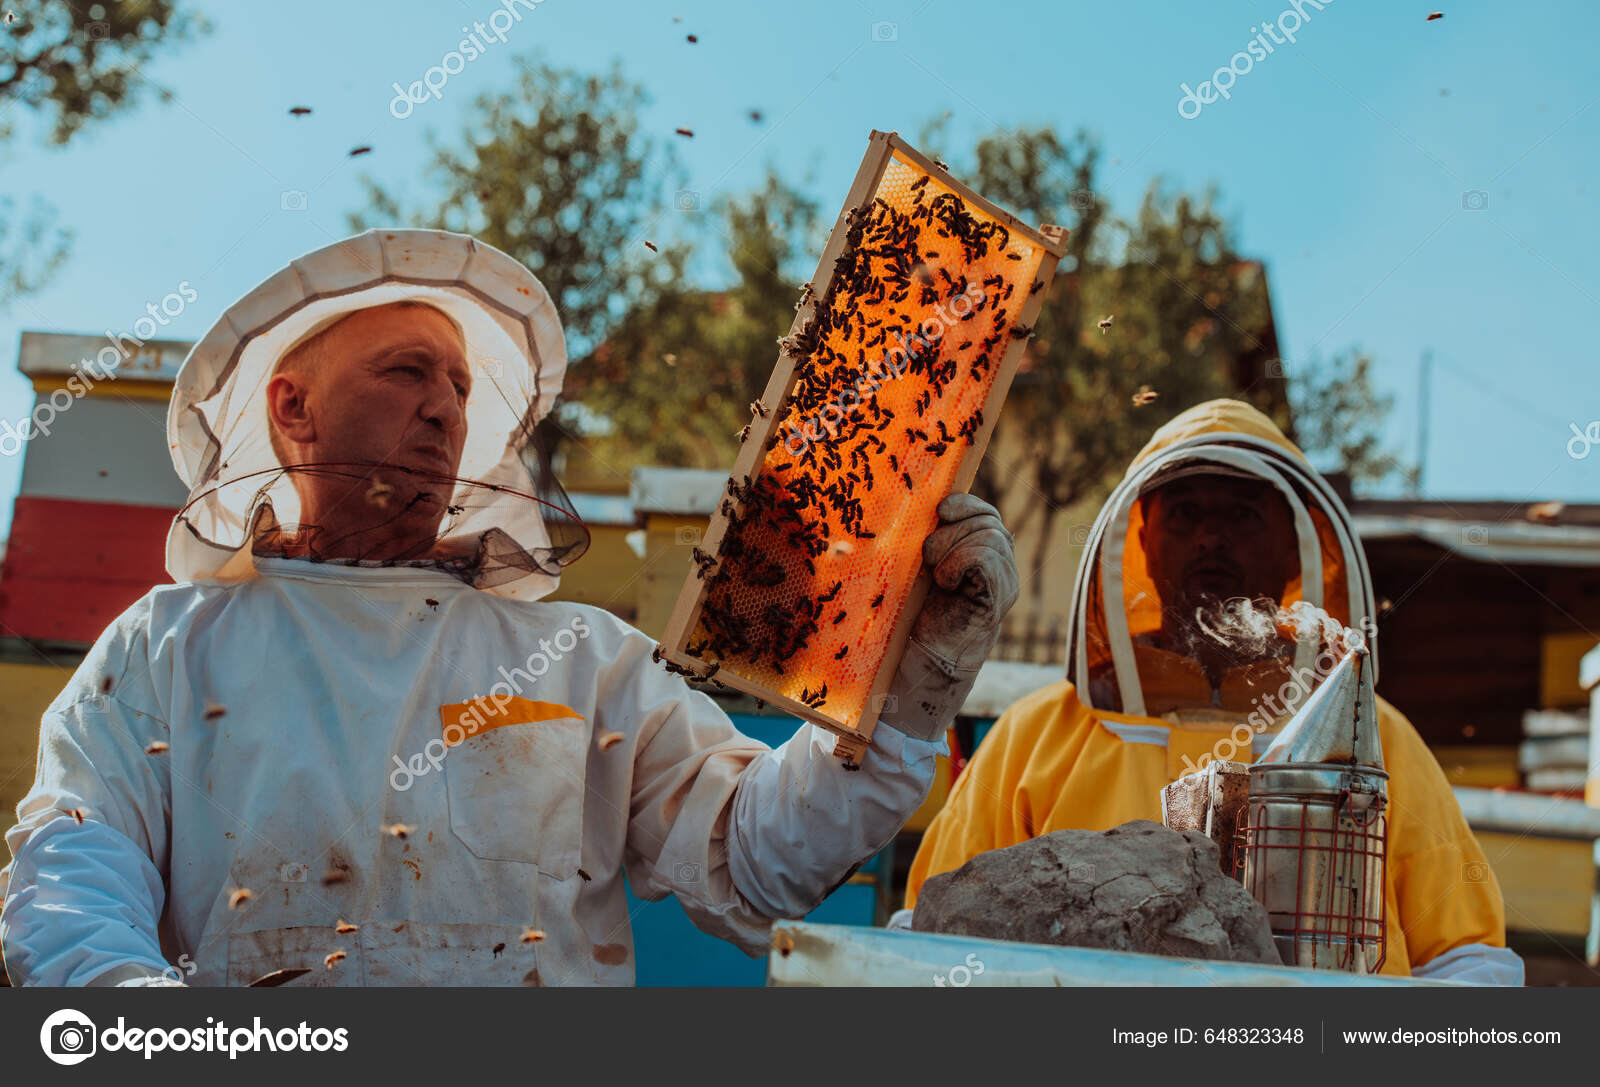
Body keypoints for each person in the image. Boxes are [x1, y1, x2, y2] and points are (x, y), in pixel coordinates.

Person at [1, 228, 1018, 987]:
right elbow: (73, 877)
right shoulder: (166, 651)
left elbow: (754, 864)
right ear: (290, 405)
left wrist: (911, 687)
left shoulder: (582, 658)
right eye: (407, 372)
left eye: (456, 384)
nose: (445, 406)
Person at [900, 398, 1520, 984]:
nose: (1210, 538)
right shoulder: (1035, 736)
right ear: (1142, 539)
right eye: (1186, 513)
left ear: (1294, 548)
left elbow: (1466, 964)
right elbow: (932, 938)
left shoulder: (1375, 741)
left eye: (1242, 515)